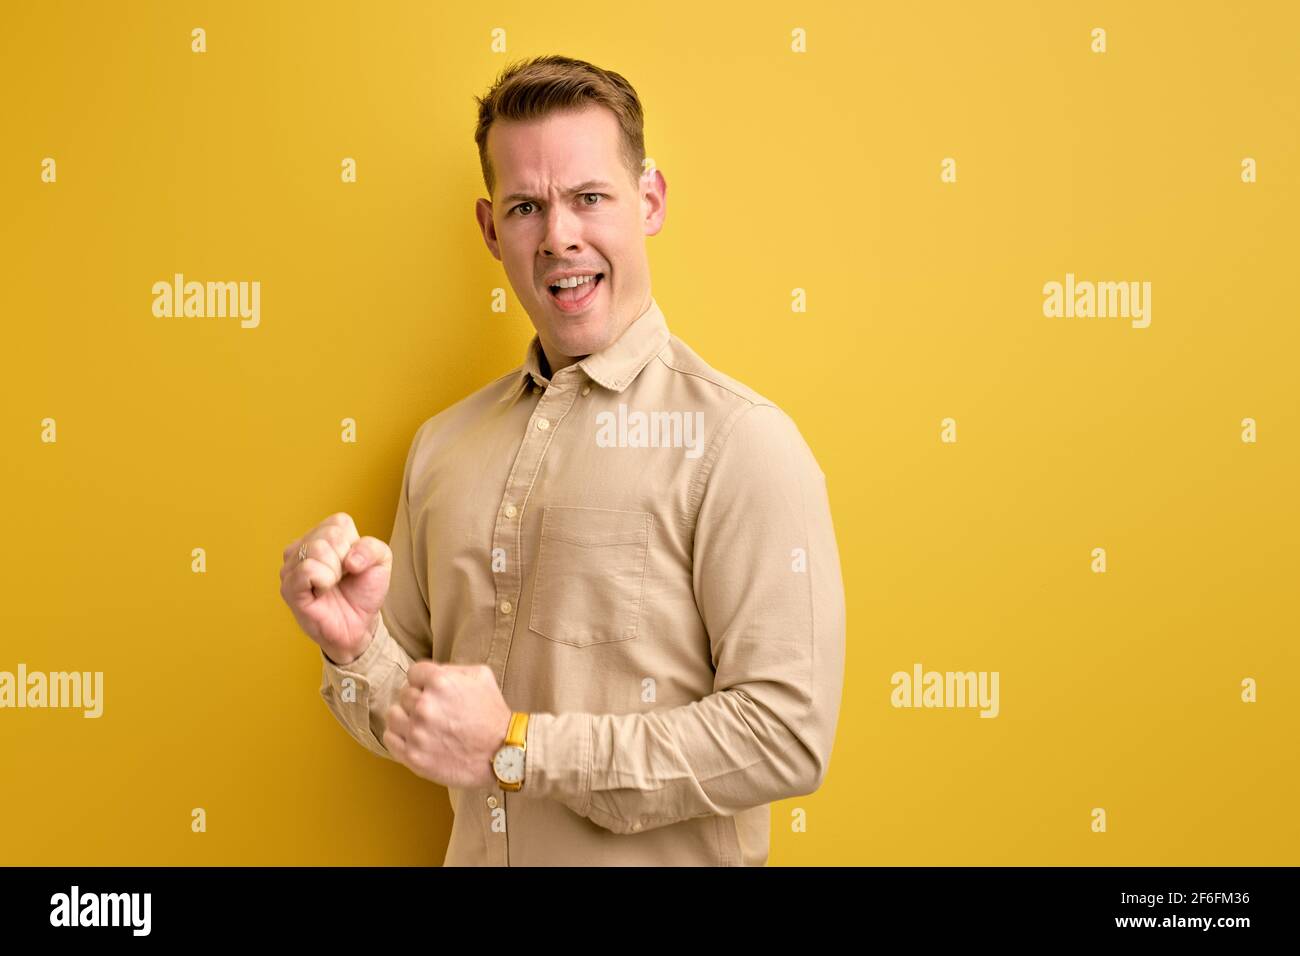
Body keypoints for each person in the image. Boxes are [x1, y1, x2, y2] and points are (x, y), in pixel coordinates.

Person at [279, 54, 845, 866]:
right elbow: (418, 727)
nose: (559, 237)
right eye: (525, 207)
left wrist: (517, 748)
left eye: (589, 197)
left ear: (648, 201)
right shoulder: (443, 447)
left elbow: (787, 737)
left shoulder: (741, 442)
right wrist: (352, 646)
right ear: (489, 229)